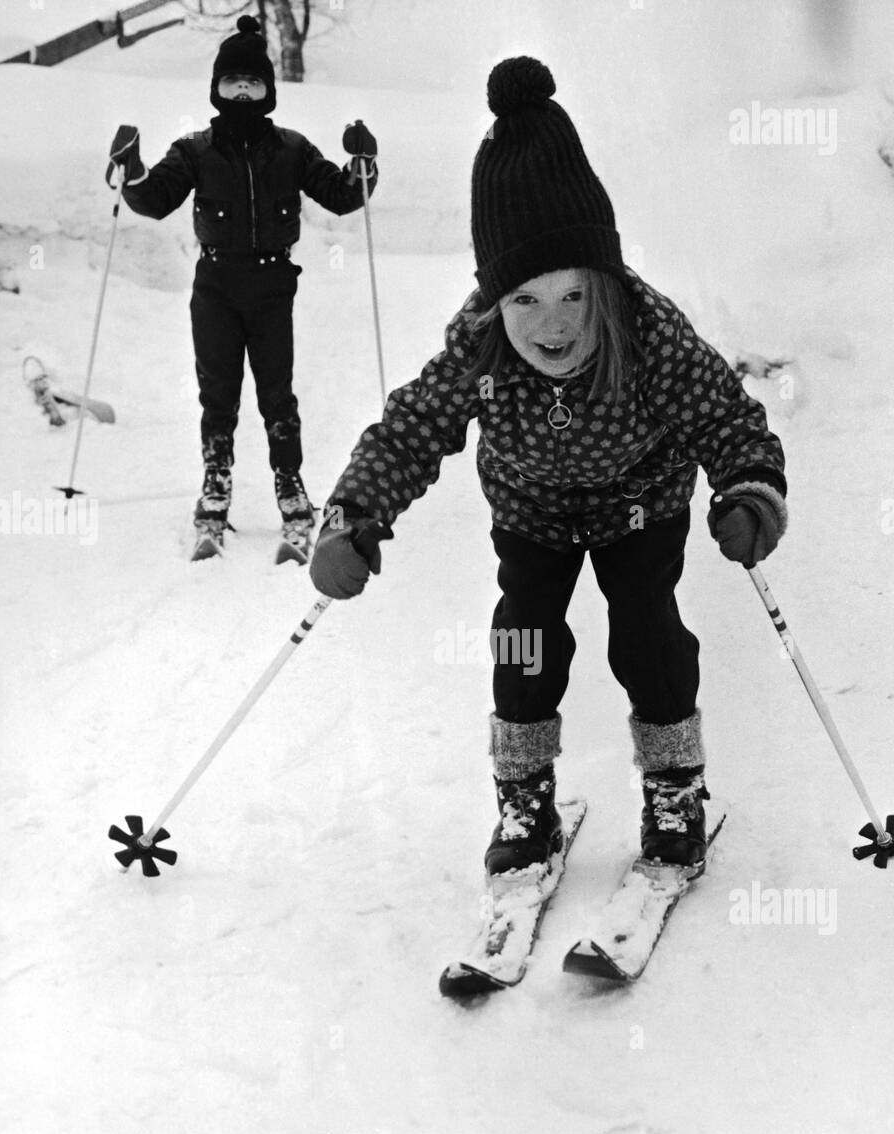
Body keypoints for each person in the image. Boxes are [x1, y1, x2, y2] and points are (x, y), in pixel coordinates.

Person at [309, 56, 787, 872]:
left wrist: (748, 493)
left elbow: (724, 415)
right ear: (495, 301)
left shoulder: (646, 330)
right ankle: (524, 802)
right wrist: (353, 519)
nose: (552, 324)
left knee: (647, 637)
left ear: (600, 282)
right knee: (524, 643)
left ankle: (674, 789)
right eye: (524, 300)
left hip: (641, 504)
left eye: (571, 295)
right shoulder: (480, 341)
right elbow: (412, 427)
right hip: (531, 513)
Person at [105, 15, 378, 561]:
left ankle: (291, 489)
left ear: (268, 90)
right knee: (218, 394)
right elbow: (154, 199)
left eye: (253, 82)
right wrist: (130, 167)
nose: (244, 90)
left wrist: (362, 161)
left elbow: (343, 195)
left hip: (273, 284)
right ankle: (216, 485)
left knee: (278, 395)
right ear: (218, 88)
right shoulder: (194, 150)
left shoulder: (292, 148)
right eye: (234, 81)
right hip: (216, 287)